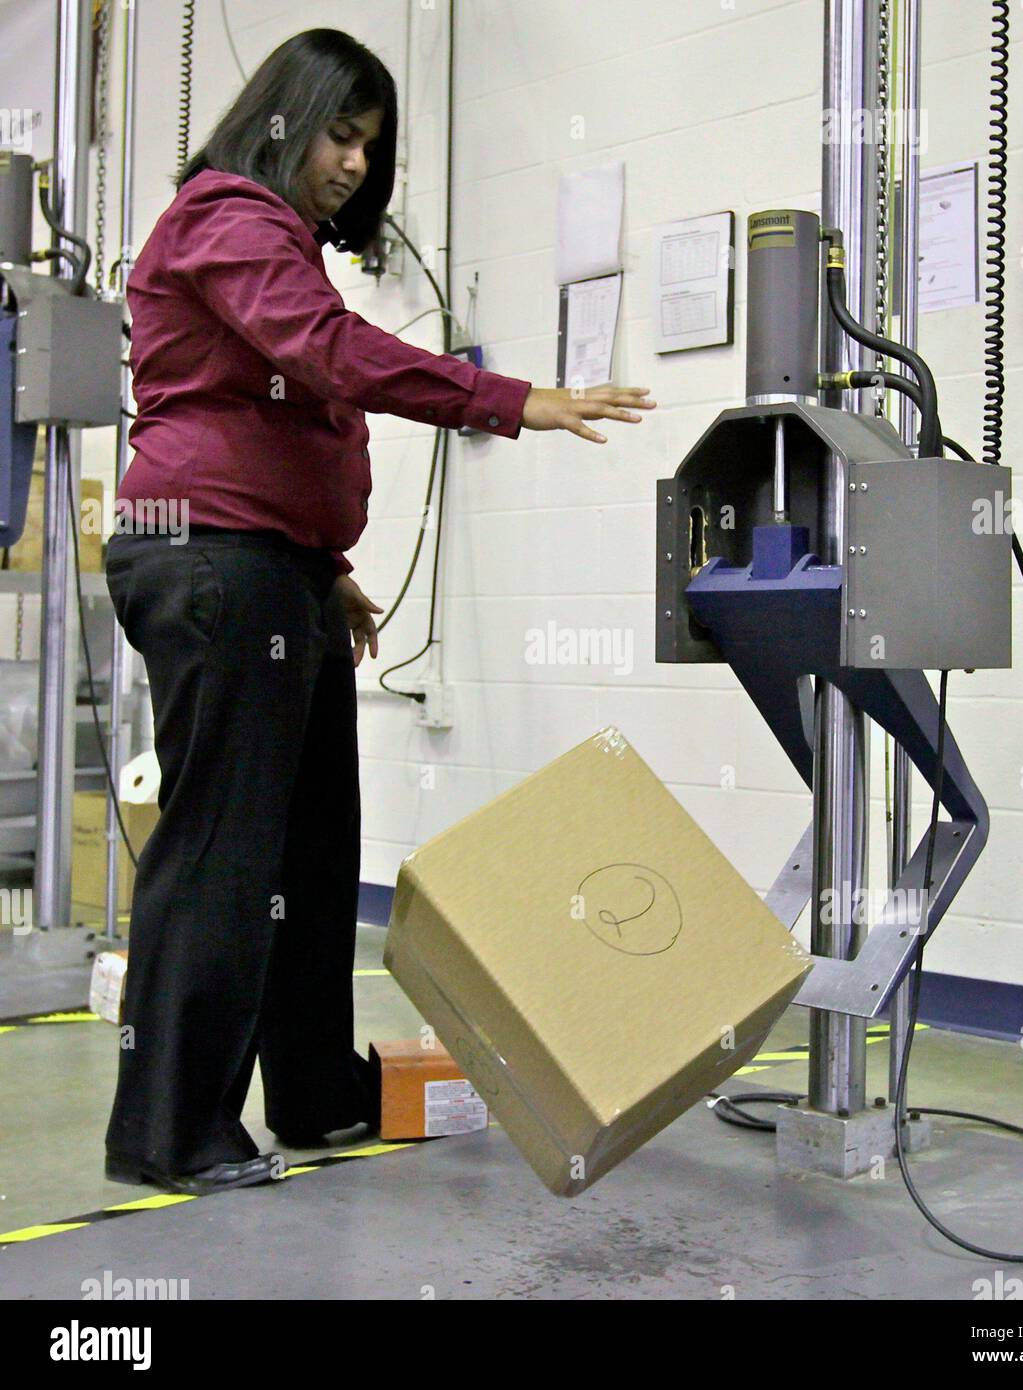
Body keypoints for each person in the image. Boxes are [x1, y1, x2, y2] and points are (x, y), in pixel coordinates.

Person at [103, 28, 655, 1196]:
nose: (355, 162)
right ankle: (170, 1129)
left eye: (370, 144)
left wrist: (320, 567)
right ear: (282, 116)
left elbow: (275, 408)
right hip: (210, 561)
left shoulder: (277, 244)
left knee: (306, 848)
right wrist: (508, 398)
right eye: (340, 135)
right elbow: (327, 356)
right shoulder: (225, 215)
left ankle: (309, 1090)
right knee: (220, 853)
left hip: (267, 564)